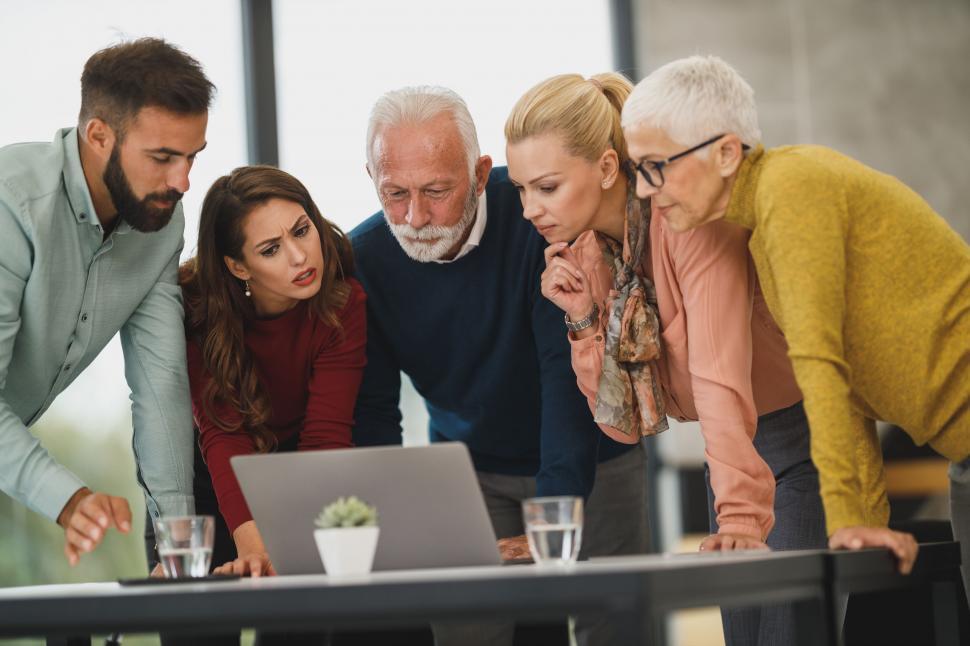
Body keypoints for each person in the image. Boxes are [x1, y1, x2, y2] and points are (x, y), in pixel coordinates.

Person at [621, 55, 969, 589]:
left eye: (655, 166)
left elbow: (819, 362)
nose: (644, 189)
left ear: (725, 153)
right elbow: (845, 388)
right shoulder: (762, 227)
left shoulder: (792, 188)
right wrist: (862, 525)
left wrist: (851, 517)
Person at [505, 72, 827, 646]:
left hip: (796, 450)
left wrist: (741, 519)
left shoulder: (687, 220)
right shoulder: (594, 256)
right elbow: (620, 427)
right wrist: (581, 320)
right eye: (520, 190)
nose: (530, 209)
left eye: (547, 187)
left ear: (607, 168)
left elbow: (719, 378)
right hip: (728, 462)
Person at [350, 86, 650, 646]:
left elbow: (563, 376)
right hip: (471, 469)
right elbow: (373, 410)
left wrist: (557, 511)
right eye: (394, 193)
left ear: (482, 172)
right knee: (469, 629)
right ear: (371, 174)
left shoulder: (539, 220)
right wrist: (390, 522)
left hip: (595, 453)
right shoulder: (365, 258)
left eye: (437, 191)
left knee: (613, 625)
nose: (415, 217)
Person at [0, 38, 212, 566]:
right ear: (98, 134)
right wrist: (68, 500)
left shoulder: (159, 221)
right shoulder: (12, 206)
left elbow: (160, 382)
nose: (183, 181)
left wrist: (175, 543)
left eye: (191, 156)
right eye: (162, 157)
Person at [168, 165, 364, 646]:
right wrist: (251, 544)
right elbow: (222, 433)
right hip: (202, 474)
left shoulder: (343, 300)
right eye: (271, 250)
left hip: (292, 465)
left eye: (302, 231)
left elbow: (324, 437)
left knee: (296, 619)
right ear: (238, 267)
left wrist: (284, 550)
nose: (300, 256)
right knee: (198, 630)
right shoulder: (193, 306)